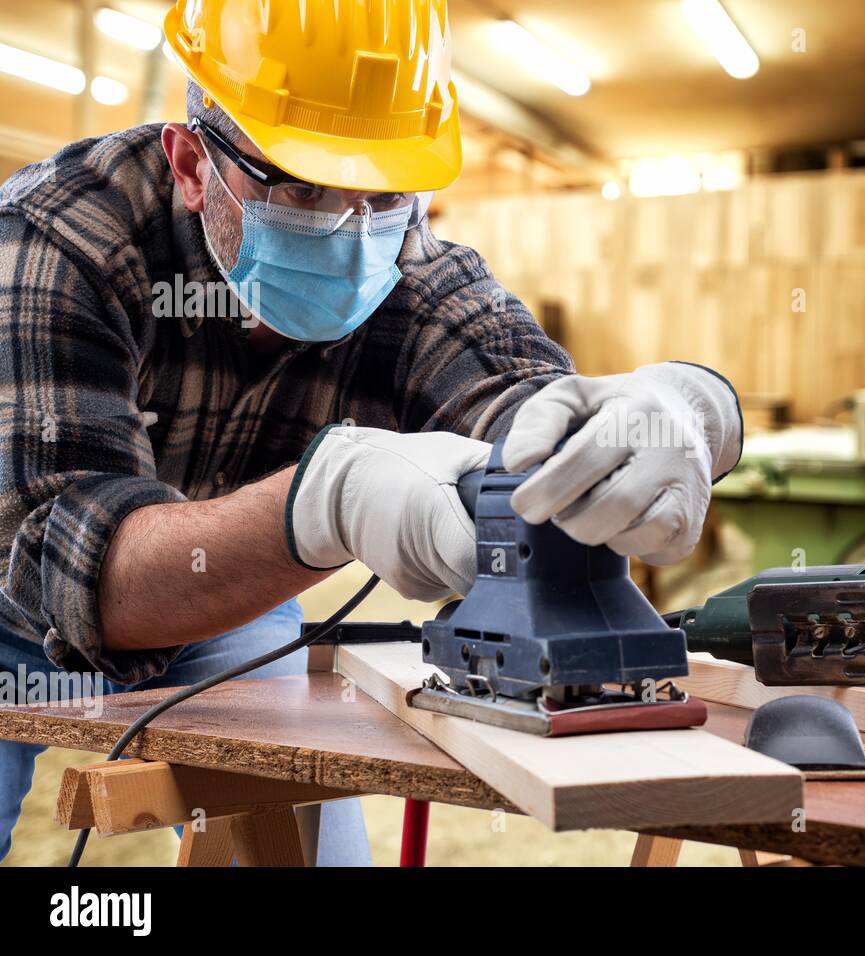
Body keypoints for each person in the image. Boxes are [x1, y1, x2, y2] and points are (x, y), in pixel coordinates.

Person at [0, 0, 741, 864]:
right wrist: (325, 504)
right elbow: (65, 563)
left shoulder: (410, 266)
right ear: (193, 162)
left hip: (218, 595)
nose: (354, 234)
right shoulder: (59, 236)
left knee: (308, 853)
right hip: (12, 578)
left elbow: (530, 409)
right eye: (305, 185)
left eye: (384, 190)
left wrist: (684, 408)